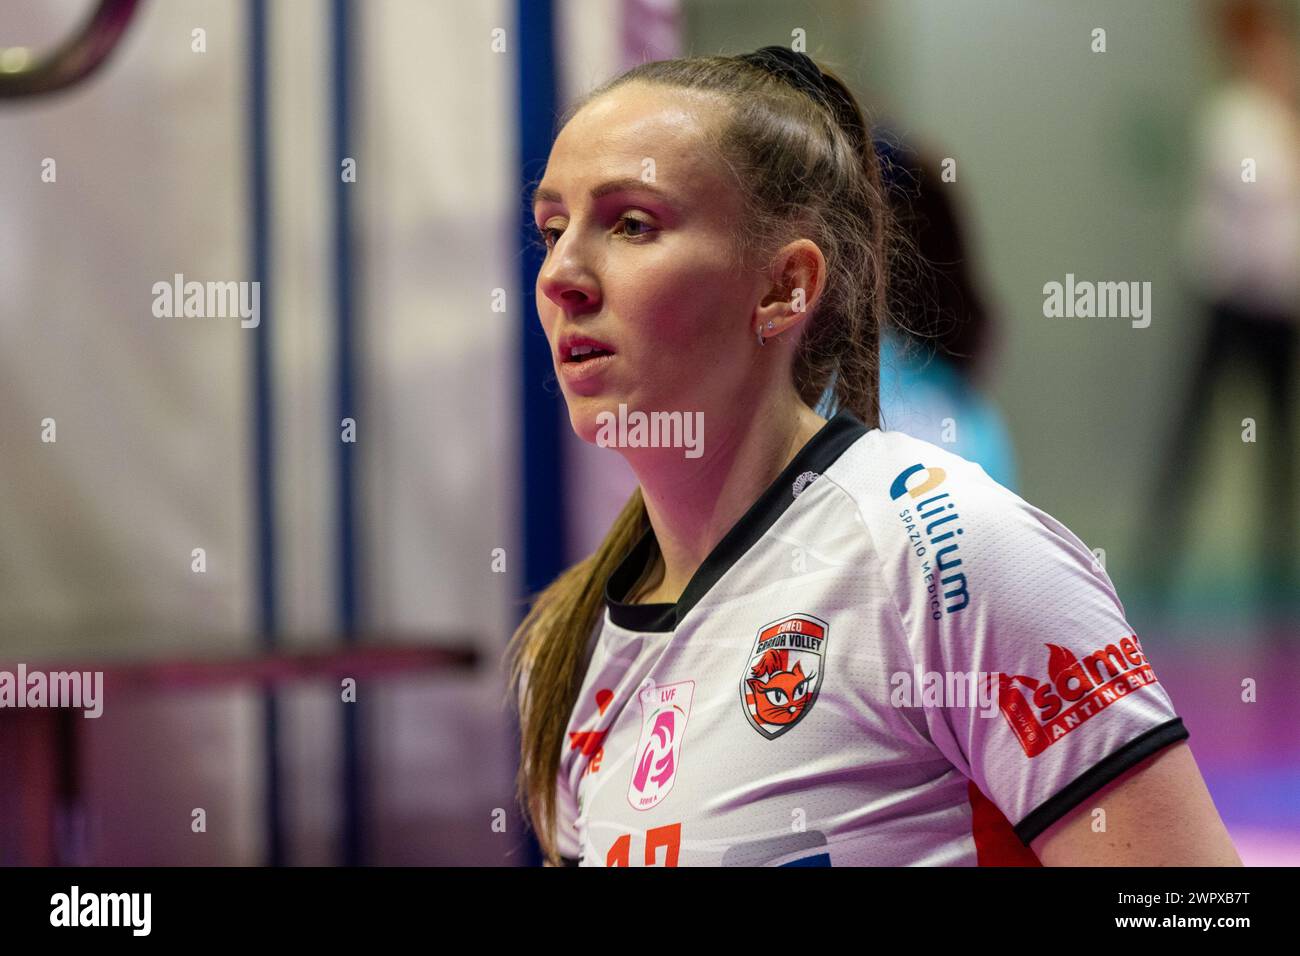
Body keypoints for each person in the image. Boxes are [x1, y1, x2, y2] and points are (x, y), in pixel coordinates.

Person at [505, 46, 1241, 866]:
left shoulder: (945, 552)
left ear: (786, 286)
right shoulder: (567, 649)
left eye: (632, 224)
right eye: (552, 228)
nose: (561, 275)